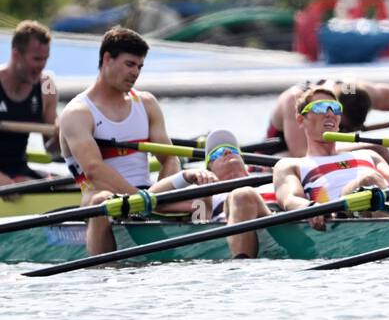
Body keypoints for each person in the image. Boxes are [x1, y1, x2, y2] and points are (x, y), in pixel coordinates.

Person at [58, 27, 183, 255]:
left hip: (146, 197)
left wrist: (157, 197)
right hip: (100, 197)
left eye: (140, 67)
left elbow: (170, 158)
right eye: (129, 64)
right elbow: (94, 170)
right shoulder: (77, 112)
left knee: (202, 198)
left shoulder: (147, 104)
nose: (135, 72)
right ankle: (104, 269)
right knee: (102, 201)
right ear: (107, 59)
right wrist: (139, 199)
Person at [273, 86, 389, 230]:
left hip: (381, 209)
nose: (330, 113)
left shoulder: (369, 155)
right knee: (368, 180)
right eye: (321, 107)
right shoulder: (291, 165)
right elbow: (290, 199)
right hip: (337, 217)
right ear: (300, 120)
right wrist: (312, 208)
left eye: (335, 108)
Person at [148, 129, 279, 258]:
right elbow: (150, 200)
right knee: (241, 196)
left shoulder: (271, 181)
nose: (227, 151)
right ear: (210, 170)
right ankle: (241, 263)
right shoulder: (205, 196)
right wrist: (185, 176)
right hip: (237, 217)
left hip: (275, 218)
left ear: (245, 167)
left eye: (233, 150)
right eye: (218, 153)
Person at [267, 78, 389, 157]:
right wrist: (373, 148)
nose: (340, 128)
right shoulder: (295, 100)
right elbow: (300, 154)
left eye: (347, 128)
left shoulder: (364, 92)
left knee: (382, 154)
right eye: (344, 127)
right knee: (378, 151)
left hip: (329, 149)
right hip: (282, 152)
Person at [0, 20, 59, 186]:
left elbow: (51, 149)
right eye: (36, 59)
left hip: (19, 173)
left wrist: (61, 136)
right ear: (16, 54)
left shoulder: (47, 87)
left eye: (45, 59)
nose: (42, 66)